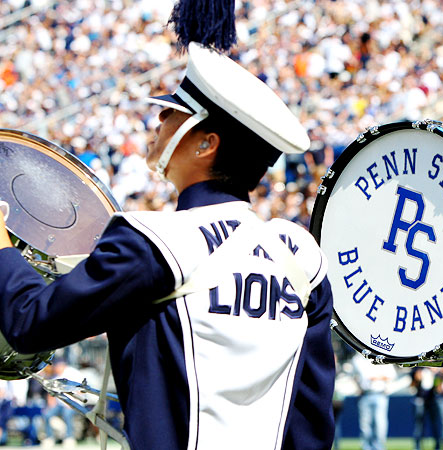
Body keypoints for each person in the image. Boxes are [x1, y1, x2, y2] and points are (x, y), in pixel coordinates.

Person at [0, 43, 335, 449]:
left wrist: (3, 246)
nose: (160, 117)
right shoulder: (301, 257)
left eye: (176, 112)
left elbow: (30, 323)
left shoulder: (149, 240)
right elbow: (311, 426)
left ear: (205, 144)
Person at [352, 354, 396, 450]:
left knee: (380, 423)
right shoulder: (358, 358)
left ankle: (379, 447)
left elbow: (391, 375)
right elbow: (354, 376)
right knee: (365, 425)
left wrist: (376, 377)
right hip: (365, 394)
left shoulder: (382, 356)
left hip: (380, 394)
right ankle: (366, 447)